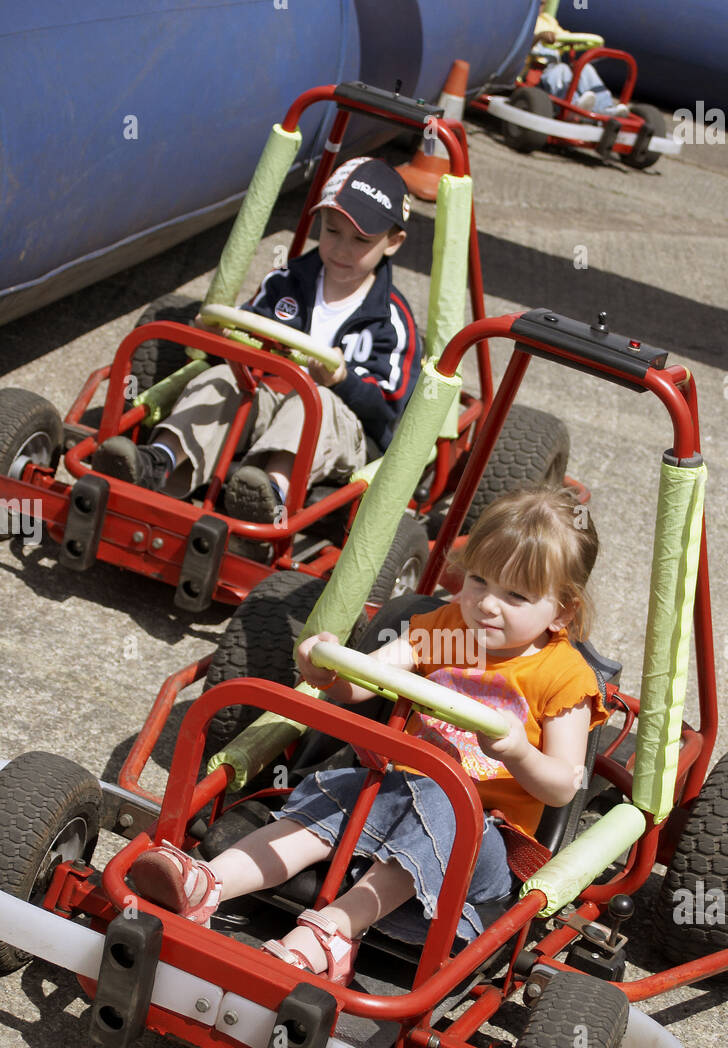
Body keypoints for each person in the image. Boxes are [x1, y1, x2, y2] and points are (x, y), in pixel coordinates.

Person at [126, 487, 609, 984]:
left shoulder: (563, 677)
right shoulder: (449, 631)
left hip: (480, 849)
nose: (487, 605)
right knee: (343, 790)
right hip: (395, 801)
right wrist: (330, 670)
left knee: (440, 797)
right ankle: (210, 882)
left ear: (562, 613)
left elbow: (562, 785)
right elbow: (369, 679)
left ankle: (332, 933)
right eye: (479, 581)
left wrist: (517, 750)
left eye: (515, 596)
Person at [93, 157, 422, 525]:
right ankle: (159, 460)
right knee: (219, 379)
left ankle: (271, 493)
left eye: (360, 240)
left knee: (314, 400)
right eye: (332, 231)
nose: (342, 249)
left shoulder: (391, 321)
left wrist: (342, 381)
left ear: (393, 243)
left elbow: (388, 411)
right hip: (264, 398)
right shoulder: (287, 281)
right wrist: (221, 337)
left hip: (341, 430)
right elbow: (247, 334)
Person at [532, 2, 629, 118]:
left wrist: (584, 43)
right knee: (561, 69)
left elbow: (567, 37)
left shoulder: (548, 21)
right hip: (535, 72)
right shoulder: (525, 24)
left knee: (585, 69)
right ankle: (571, 106)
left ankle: (605, 108)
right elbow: (520, 46)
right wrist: (539, 37)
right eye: (537, 4)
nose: (539, 8)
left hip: (554, 66)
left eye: (542, 4)